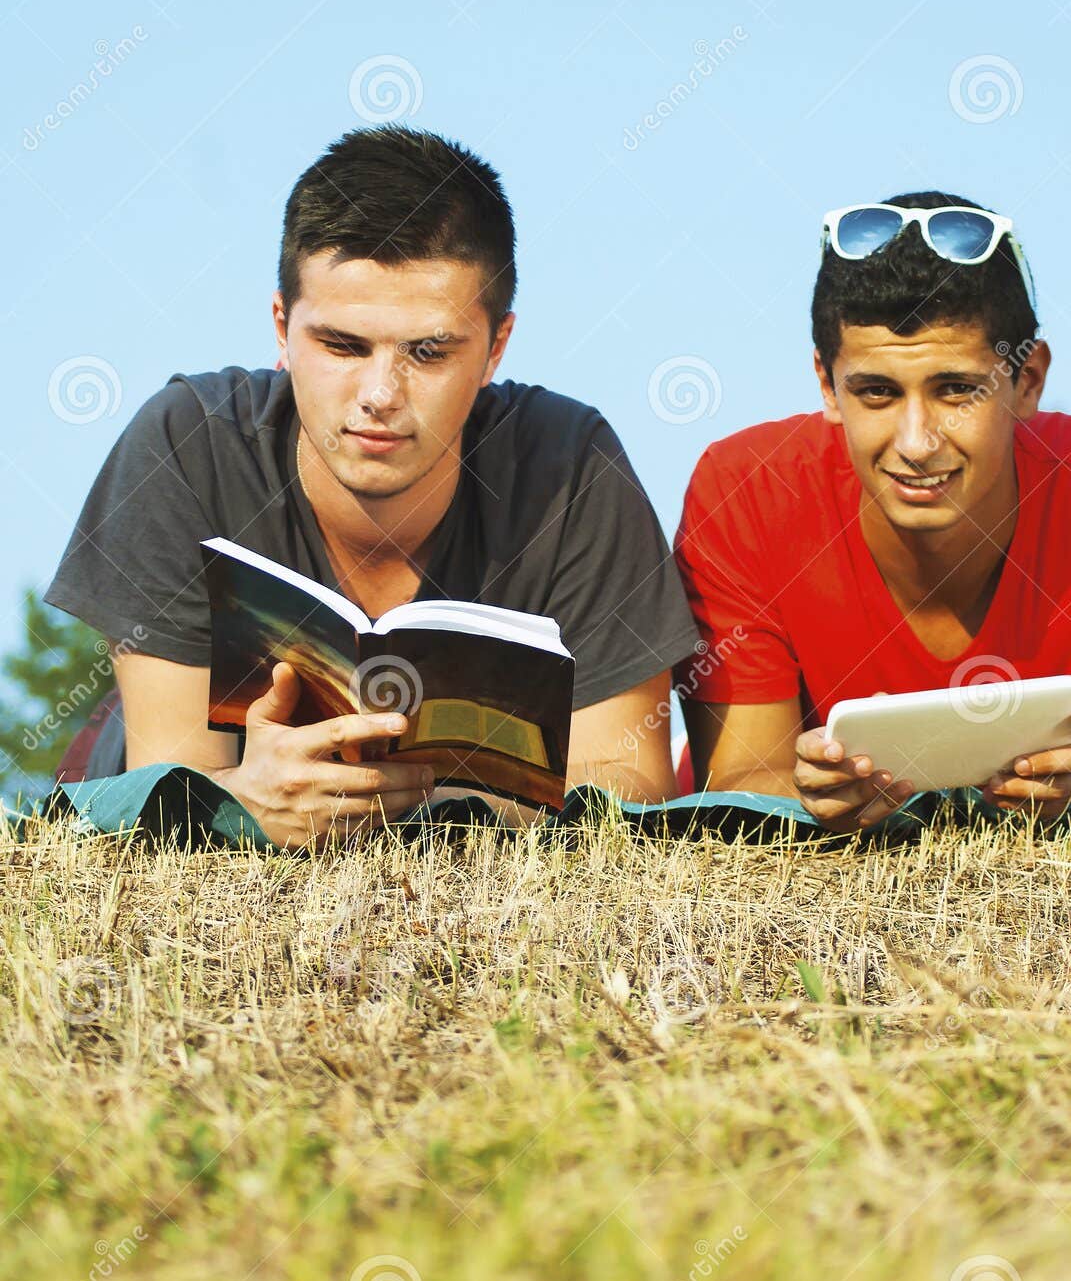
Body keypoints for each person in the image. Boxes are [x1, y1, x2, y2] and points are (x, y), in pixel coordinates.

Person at [45, 125, 699, 847]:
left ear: (496, 348)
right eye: (342, 346)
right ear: (281, 329)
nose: (380, 394)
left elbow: (633, 785)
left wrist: (419, 798)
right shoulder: (186, 443)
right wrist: (244, 800)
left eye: (429, 352)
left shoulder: (570, 467)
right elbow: (172, 771)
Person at [673, 190, 1071, 832]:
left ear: (1027, 382)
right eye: (878, 392)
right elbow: (743, 778)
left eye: (957, 390)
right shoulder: (750, 491)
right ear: (828, 386)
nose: (917, 443)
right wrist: (813, 799)